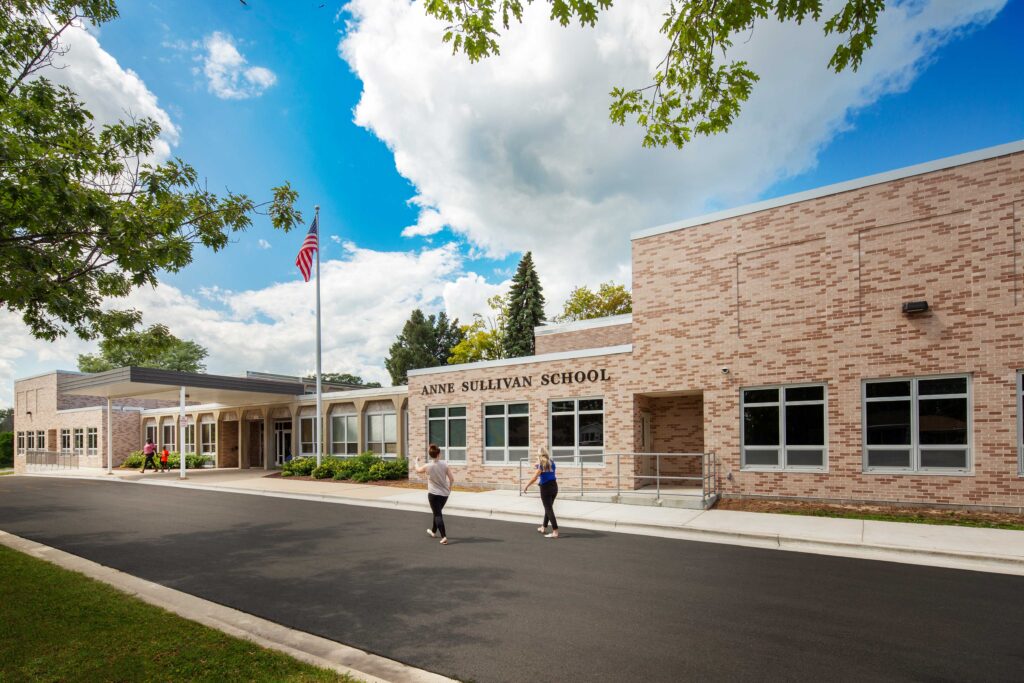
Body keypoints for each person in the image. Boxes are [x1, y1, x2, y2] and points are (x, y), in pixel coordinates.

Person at [415, 444, 454, 545]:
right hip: (445, 494)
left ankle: (444, 536)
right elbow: (452, 479)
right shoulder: (445, 464)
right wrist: (449, 489)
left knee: (437, 514)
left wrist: (415, 461)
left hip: (433, 494)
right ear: (439, 454)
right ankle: (433, 531)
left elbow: (418, 470)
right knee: (437, 512)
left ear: (430, 455)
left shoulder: (427, 466)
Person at [523, 446, 558, 538]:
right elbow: (547, 471)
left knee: (549, 509)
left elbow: (534, 477)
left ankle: (555, 531)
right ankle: (543, 527)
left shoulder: (542, 465)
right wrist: (537, 464)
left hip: (546, 488)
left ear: (539, 455)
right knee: (548, 508)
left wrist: (526, 485)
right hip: (554, 486)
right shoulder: (552, 462)